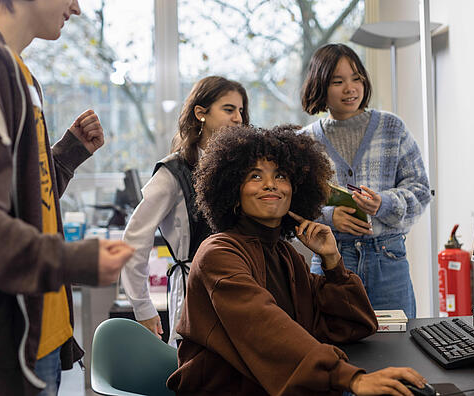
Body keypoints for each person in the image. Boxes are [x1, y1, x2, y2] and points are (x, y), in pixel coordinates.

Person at [0, 1, 135, 395]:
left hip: (41, 339)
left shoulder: (19, 73)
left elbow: (26, 200)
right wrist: (74, 260)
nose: (77, 7)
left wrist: (67, 155)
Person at [168, 125, 428, 396]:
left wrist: (332, 261)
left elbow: (351, 325)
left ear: (295, 190)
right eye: (255, 176)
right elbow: (261, 325)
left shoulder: (285, 254)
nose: (270, 184)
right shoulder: (219, 253)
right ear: (233, 192)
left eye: (280, 175)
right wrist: (351, 379)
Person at [300, 43, 432, 319]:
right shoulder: (306, 142)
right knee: (331, 349)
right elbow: (293, 205)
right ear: (320, 86)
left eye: (356, 78)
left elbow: (420, 190)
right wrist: (329, 216)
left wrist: (382, 203)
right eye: (338, 81)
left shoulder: (391, 127)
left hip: (388, 259)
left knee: (398, 347)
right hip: (330, 260)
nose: (350, 88)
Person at [121, 76, 249, 345]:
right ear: (200, 113)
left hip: (246, 292)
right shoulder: (174, 172)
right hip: (196, 296)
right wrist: (142, 306)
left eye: (241, 110)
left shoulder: (247, 169)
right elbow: (135, 237)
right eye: (229, 109)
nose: (238, 118)